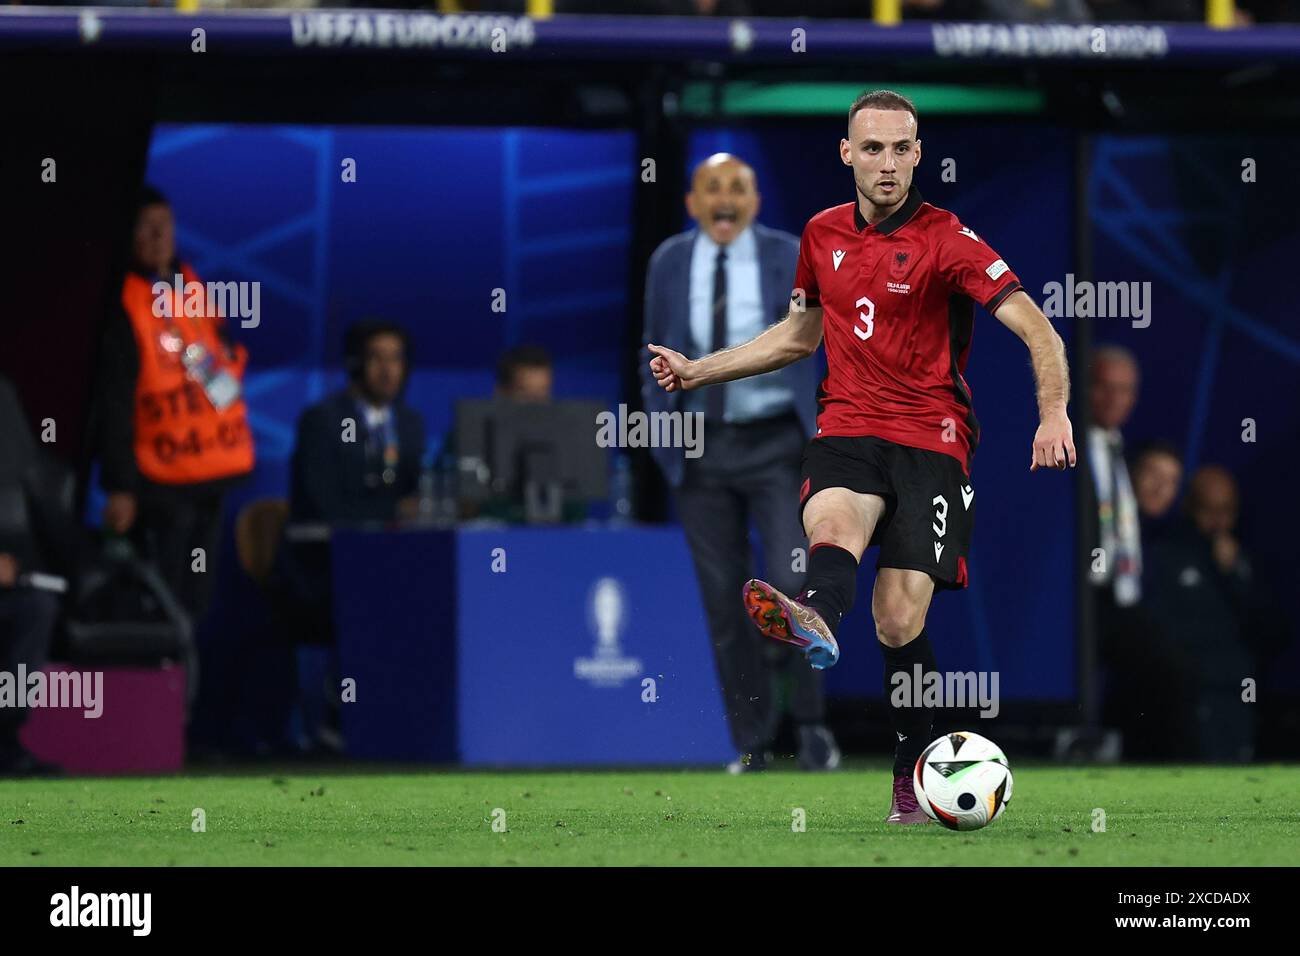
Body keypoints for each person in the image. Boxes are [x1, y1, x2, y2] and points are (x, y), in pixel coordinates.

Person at [648, 90, 1074, 822]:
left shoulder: (949, 241)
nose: (885, 163)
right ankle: (813, 615)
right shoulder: (819, 235)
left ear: (917, 153)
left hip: (933, 441)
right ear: (847, 152)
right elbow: (796, 338)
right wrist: (696, 371)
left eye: (899, 149)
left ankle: (911, 773)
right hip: (847, 426)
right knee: (833, 523)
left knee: (897, 619)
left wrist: (1054, 411)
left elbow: (1040, 332)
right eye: (870, 148)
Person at [642, 153, 838, 774]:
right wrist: (666, 444)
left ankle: (808, 729)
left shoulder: (790, 253)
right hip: (701, 449)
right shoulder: (668, 261)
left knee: (792, 583)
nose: (725, 200)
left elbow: (812, 340)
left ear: (755, 201)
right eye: (712, 188)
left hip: (779, 443)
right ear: (692, 201)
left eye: (738, 189)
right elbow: (648, 350)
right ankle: (754, 743)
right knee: (725, 605)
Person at [95, 186, 255, 623]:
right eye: (145, 226)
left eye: (164, 224)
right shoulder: (123, 302)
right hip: (161, 479)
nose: (158, 234)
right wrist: (120, 485)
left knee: (196, 601)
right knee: (163, 600)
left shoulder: (191, 285)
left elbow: (215, 366)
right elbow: (113, 401)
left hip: (212, 469)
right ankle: (156, 687)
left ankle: (183, 686)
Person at [1143, 466, 1289, 761]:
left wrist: (1235, 574)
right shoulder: (1166, 557)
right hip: (1189, 698)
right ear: (1190, 507)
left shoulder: (1242, 562)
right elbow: (1156, 632)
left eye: (1226, 510)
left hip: (1238, 696)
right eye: (1208, 510)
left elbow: (1274, 631)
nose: (1218, 521)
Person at [289, 320, 425, 525]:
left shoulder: (410, 423)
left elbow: (418, 494)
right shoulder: (322, 420)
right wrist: (394, 510)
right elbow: (323, 506)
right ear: (355, 364)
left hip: (396, 547)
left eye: (395, 359)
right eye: (377, 358)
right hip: (329, 549)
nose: (388, 371)